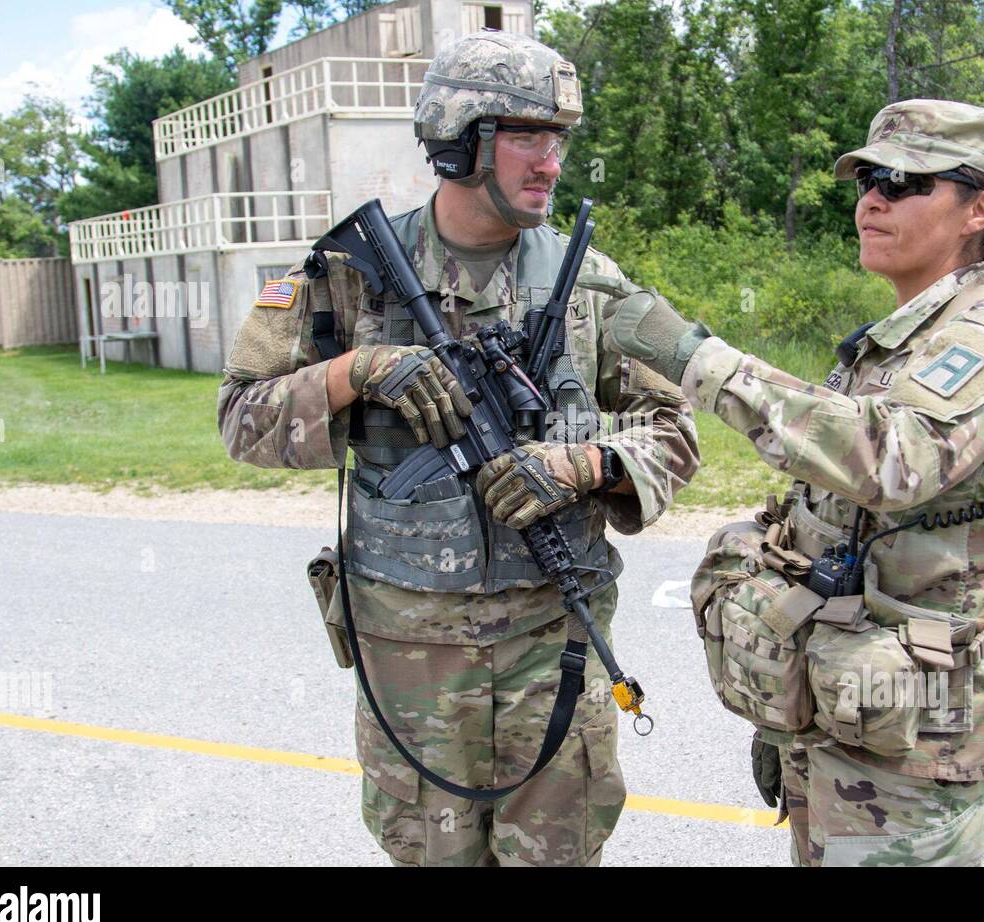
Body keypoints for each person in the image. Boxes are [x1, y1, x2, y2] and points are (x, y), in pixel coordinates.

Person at [217, 29, 699, 867]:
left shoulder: (589, 284)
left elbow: (674, 431)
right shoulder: (345, 274)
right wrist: (355, 374)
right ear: (461, 139)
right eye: (525, 136)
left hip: (555, 648)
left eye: (559, 139)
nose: (550, 160)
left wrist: (584, 465)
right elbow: (241, 420)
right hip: (412, 667)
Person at [581, 99, 984, 866]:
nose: (872, 199)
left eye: (907, 183)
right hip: (847, 715)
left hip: (915, 745)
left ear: (981, 208)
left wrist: (696, 359)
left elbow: (891, 461)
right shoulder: (903, 339)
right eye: (867, 180)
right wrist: (787, 720)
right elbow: (834, 524)